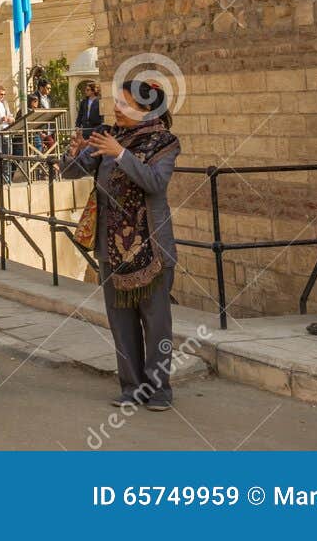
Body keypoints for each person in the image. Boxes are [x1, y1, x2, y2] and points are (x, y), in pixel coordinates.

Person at [63, 81, 180, 411]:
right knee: (120, 320)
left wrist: (121, 154)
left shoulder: (164, 142)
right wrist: (73, 153)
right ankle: (131, 387)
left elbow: (155, 183)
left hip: (151, 247)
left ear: (147, 111)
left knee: (157, 323)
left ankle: (160, 390)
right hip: (111, 245)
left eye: (126, 105)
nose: (116, 109)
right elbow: (73, 171)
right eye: (117, 102)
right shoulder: (109, 136)